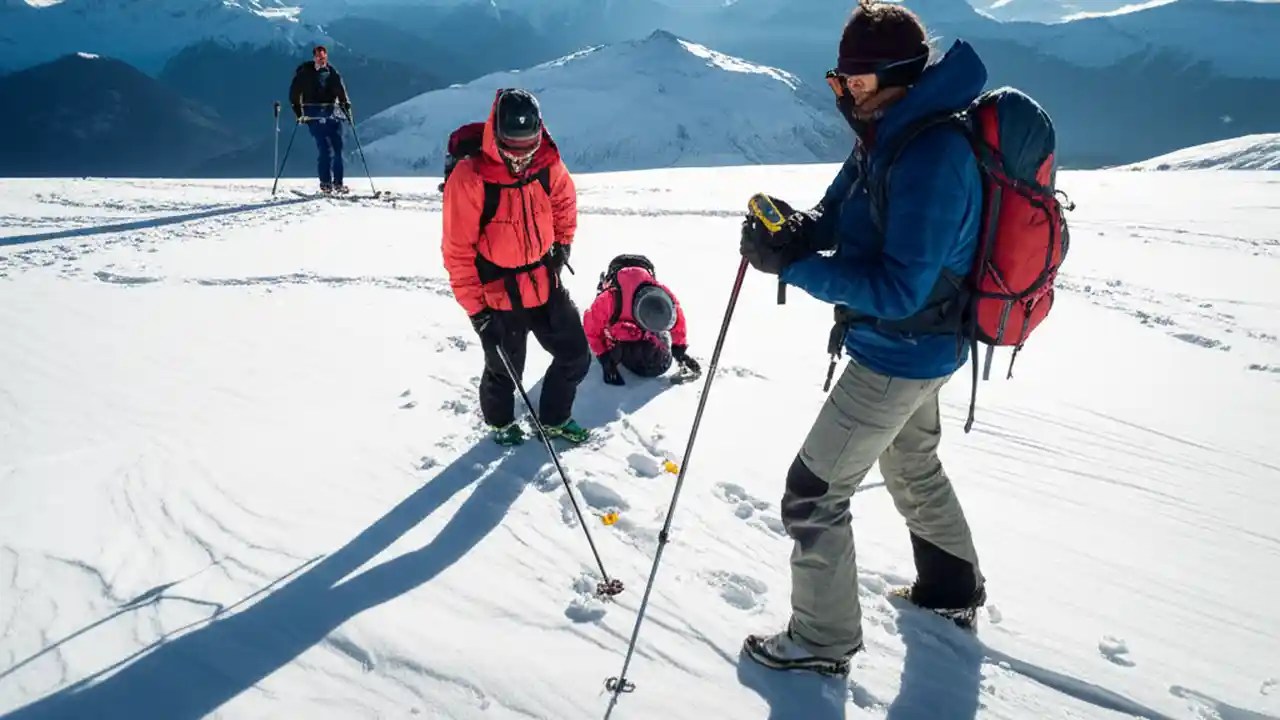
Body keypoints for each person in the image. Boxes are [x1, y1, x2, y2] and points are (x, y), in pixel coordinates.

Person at [738, 0, 988, 677]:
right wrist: (798, 230)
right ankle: (951, 591)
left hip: (900, 351)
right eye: (839, 80)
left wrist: (794, 269)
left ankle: (822, 640)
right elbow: (838, 209)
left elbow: (900, 288)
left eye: (857, 80)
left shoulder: (932, 153)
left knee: (812, 492)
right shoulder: (886, 129)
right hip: (922, 348)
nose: (845, 92)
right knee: (911, 465)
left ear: (902, 73)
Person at [441, 88, 590, 447]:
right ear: (497, 136)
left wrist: (563, 242)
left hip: (542, 278)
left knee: (576, 354)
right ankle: (501, 423)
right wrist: (478, 314)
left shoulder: (547, 162)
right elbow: (457, 252)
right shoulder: (470, 176)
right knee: (504, 367)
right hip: (497, 290)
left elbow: (564, 200)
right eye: (513, 149)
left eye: (528, 148)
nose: (521, 159)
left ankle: (554, 418)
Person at [582, 255, 701, 385]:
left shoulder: (664, 297)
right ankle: (604, 282)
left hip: (644, 269)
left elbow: (678, 320)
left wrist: (679, 348)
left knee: (650, 354)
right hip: (618, 274)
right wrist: (604, 357)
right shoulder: (610, 300)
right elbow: (591, 328)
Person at [289, 45, 352, 194]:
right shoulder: (304, 74)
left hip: (332, 112)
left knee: (338, 148)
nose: (321, 60)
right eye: (318, 57)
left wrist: (347, 110)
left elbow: (341, 93)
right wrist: (299, 114)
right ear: (314, 58)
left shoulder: (333, 73)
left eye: (323, 57)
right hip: (313, 112)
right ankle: (325, 183)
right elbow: (294, 95)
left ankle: (338, 183)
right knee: (325, 148)